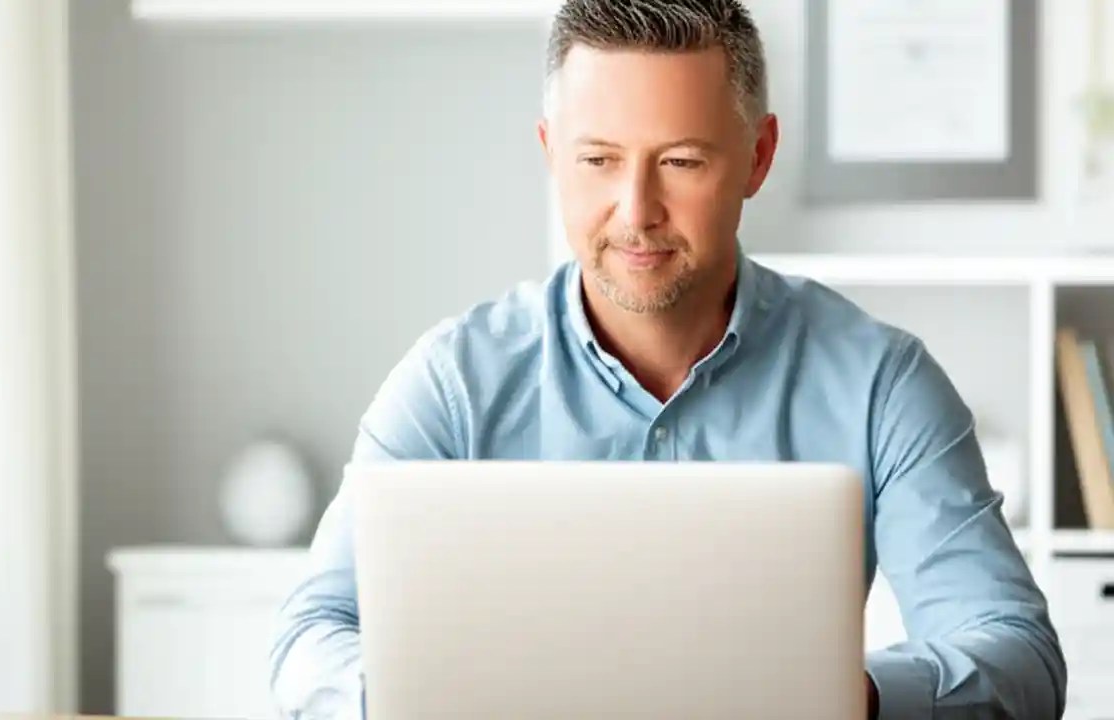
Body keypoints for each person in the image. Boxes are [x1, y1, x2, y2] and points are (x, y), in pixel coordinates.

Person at [269, 1, 1067, 717]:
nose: (636, 212)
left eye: (681, 161)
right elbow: (311, 636)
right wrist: (414, 699)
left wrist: (848, 699)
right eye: (598, 161)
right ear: (551, 154)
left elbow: (1018, 657)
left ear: (757, 157)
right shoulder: (453, 382)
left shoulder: (879, 384)